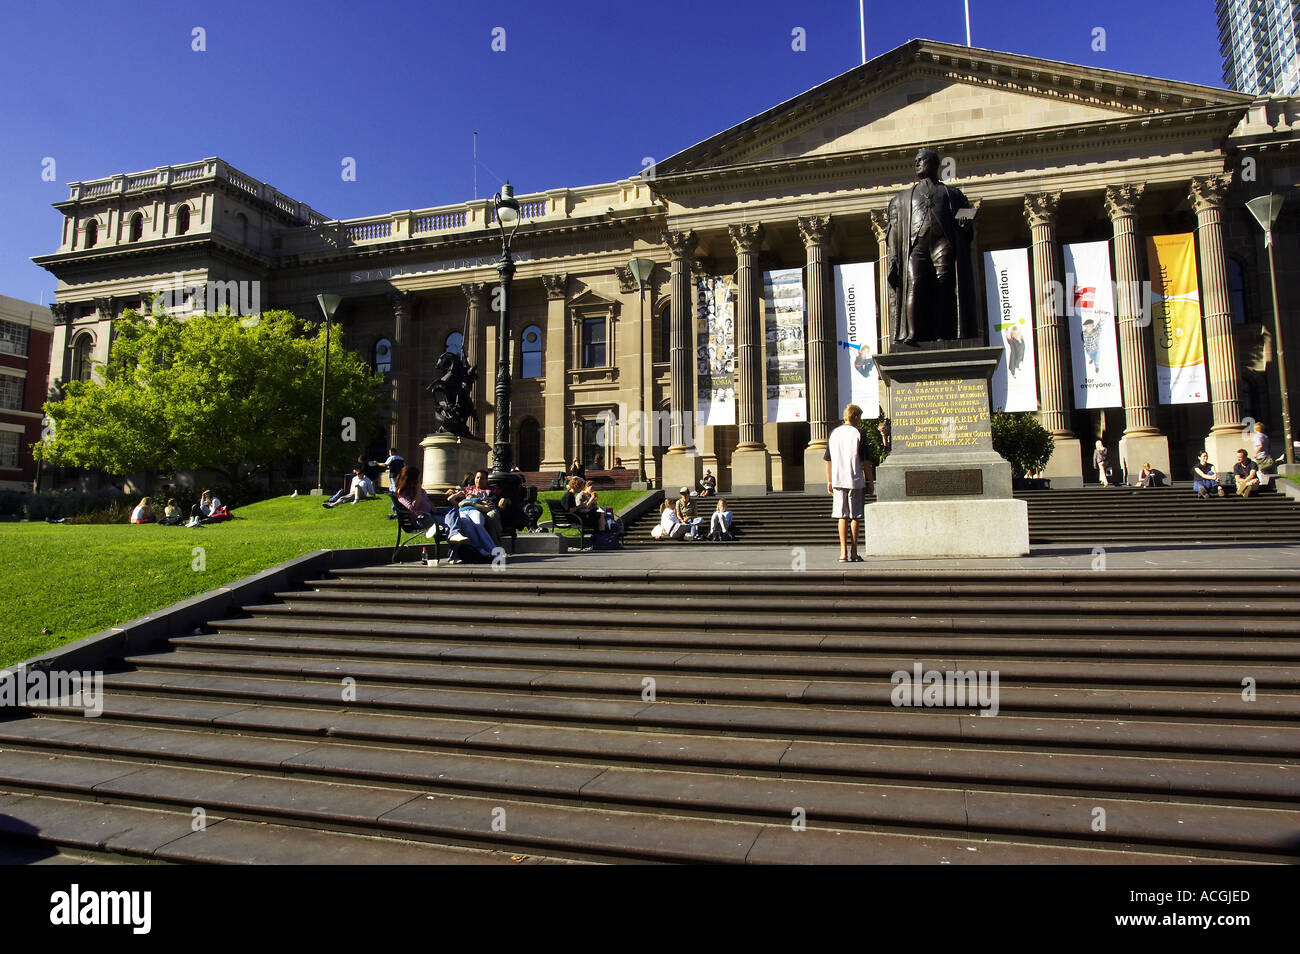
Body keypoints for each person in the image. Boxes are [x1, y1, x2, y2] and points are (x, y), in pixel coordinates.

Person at [825, 403, 867, 563]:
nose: (860, 420)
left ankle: (842, 553)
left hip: (837, 479)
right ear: (855, 416)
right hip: (855, 479)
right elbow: (865, 460)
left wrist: (829, 480)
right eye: (860, 417)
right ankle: (854, 552)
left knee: (841, 516)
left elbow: (827, 459)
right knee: (855, 516)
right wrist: (869, 480)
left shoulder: (834, 433)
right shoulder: (859, 432)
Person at [394, 465, 440, 564]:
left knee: (453, 512)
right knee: (448, 522)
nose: (419, 481)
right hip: (420, 519)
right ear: (410, 480)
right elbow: (413, 508)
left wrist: (432, 506)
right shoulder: (402, 493)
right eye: (417, 480)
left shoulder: (418, 490)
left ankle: (454, 534)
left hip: (431, 515)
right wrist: (418, 490)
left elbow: (429, 504)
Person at [371, 448, 405, 518]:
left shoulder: (392, 458)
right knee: (397, 489)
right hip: (400, 476)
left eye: (389, 452)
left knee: (394, 491)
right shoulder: (401, 459)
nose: (389, 453)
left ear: (392, 452)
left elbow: (384, 465)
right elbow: (404, 467)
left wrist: (377, 463)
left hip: (393, 475)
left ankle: (396, 511)